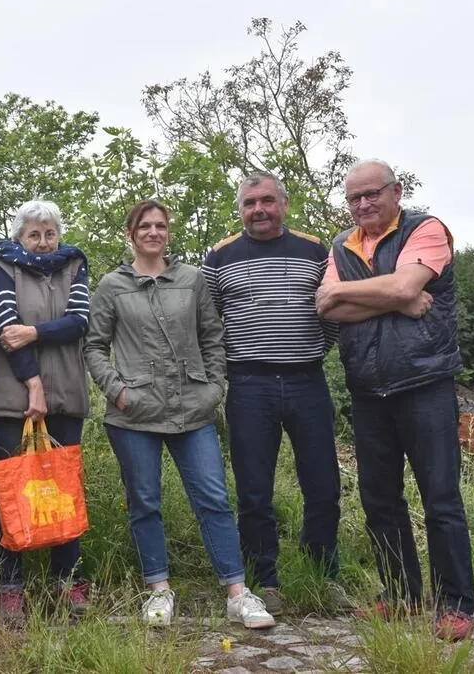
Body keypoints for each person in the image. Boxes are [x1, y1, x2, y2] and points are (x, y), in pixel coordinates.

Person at [85, 199, 275, 630]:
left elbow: (213, 336)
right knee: (145, 502)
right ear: (130, 234)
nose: (154, 232)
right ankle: (158, 592)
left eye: (161, 226)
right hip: (134, 413)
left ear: (168, 232)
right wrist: (117, 392)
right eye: (145, 226)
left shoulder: (192, 280)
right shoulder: (112, 285)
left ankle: (238, 594)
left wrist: (214, 387)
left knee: (213, 498)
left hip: (194, 408)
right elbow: (94, 347)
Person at [317, 159, 474, 641]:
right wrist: (397, 297)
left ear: (396, 191)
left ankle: (455, 605)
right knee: (379, 500)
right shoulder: (341, 246)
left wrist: (383, 292)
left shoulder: (425, 230)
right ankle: (401, 597)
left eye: (372, 194)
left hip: (424, 384)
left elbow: (402, 284)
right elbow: (325, 304)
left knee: (441, 499)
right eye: (354, 198)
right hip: (369, 391)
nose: (363, 204)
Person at [202, 172, 353, 615]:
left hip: (307, 382)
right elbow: (210, 324)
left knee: (323, 484)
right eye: (249, 203)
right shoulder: (220, 256)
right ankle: (264, 579)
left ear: (284, 204)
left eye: (267, 201)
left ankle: (324, 575)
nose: (259, 210)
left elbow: (332, 311)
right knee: (253, 490)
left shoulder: (314, 250)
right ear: (240, 209)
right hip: (248, 385)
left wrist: (306, 353)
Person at [0, 200, 92, 626]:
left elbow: (79, 320)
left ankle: (68, 583)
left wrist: (35, 331)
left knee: (65, 489)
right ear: (19, 237)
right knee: (14, 492)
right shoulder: (2, 266)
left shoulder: (74, 264)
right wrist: (33, 383)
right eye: (34, 235)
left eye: (50, 234)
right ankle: (10, 589)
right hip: (15, 397)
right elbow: (7, 331)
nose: (43, 243)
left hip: (68, 391)